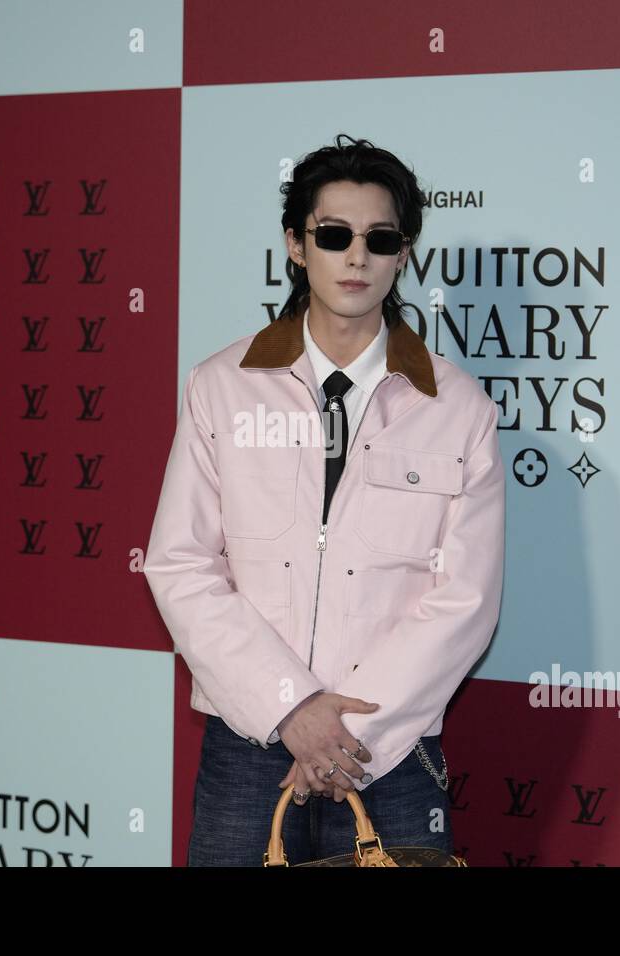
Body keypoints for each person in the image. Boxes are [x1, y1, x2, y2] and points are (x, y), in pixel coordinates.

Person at [143, 134, 505, 866]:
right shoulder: (222, 384)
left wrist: (347, 731)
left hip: (392, 754)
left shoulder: (459, 406)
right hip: (250, 748)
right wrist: (291, 707)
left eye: (380, 238)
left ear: (405, 252)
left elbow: (466, 596)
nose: (356, 256)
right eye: (333, 235)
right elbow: (180, 563)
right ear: (296, 246)